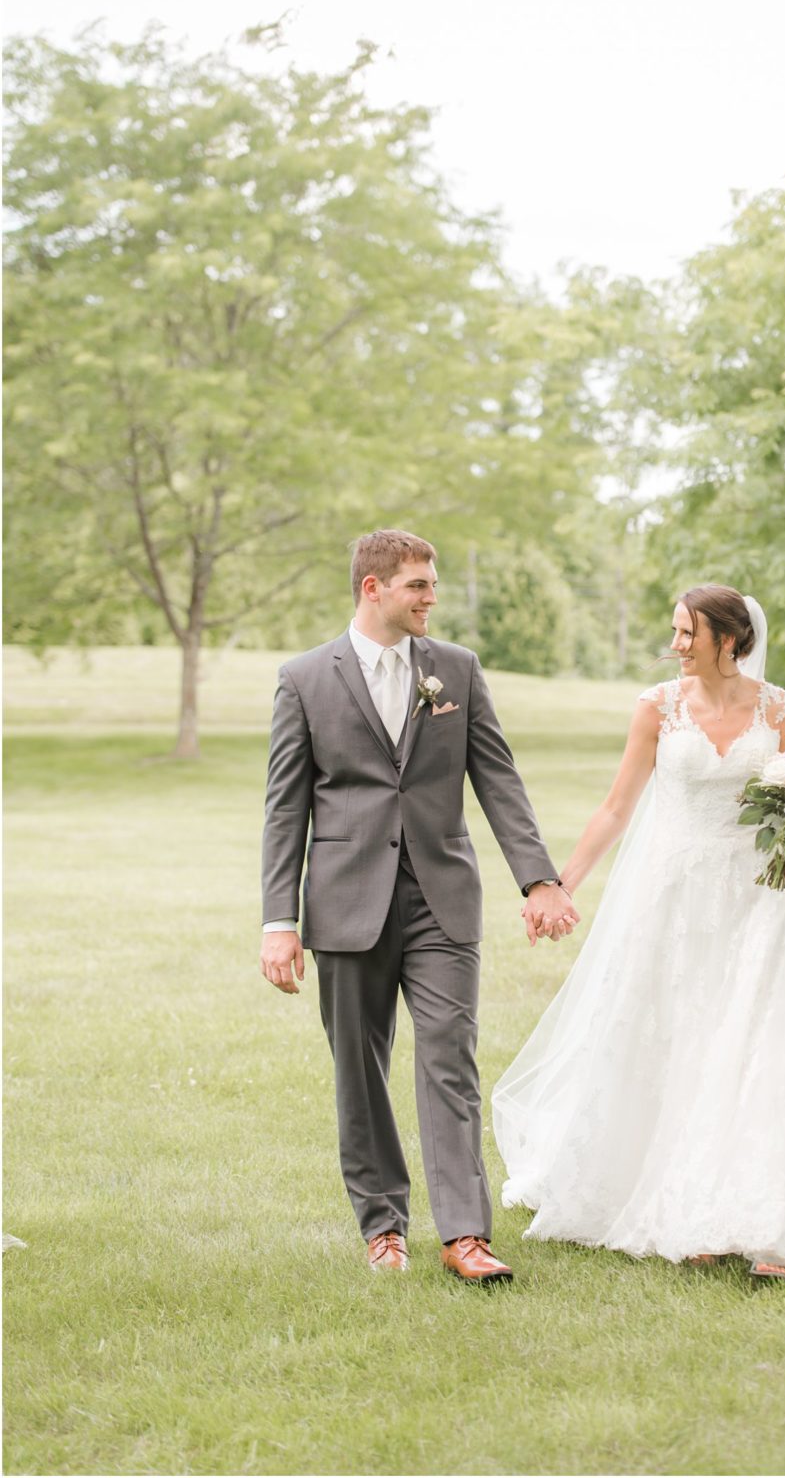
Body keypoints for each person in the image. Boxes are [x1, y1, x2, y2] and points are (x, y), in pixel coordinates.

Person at [492, 584, 785, 1277]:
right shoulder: (655, 707)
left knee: (756, 1051)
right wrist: (559, 885)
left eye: (687, 634)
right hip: (669, 903)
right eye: (674, 632)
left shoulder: (780, 710)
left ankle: (764, 1218)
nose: (675, 645)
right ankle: (689, 1206)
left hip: (755, 905)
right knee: (674, 1045)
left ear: (729, 640)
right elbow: (617, 809)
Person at [260, 529, 578, 1282]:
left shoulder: (456, 670)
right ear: (373, 589)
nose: (431, 596)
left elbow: (497, 779)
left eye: (431, 583)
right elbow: (285, 808)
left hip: (442, 897)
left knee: (449, 1060)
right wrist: (280, 921)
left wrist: (537, 878)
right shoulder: (305, 678)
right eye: (417, 585)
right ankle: (384, 1227)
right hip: (344, 904)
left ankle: (465, 1234)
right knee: (359, 1072)